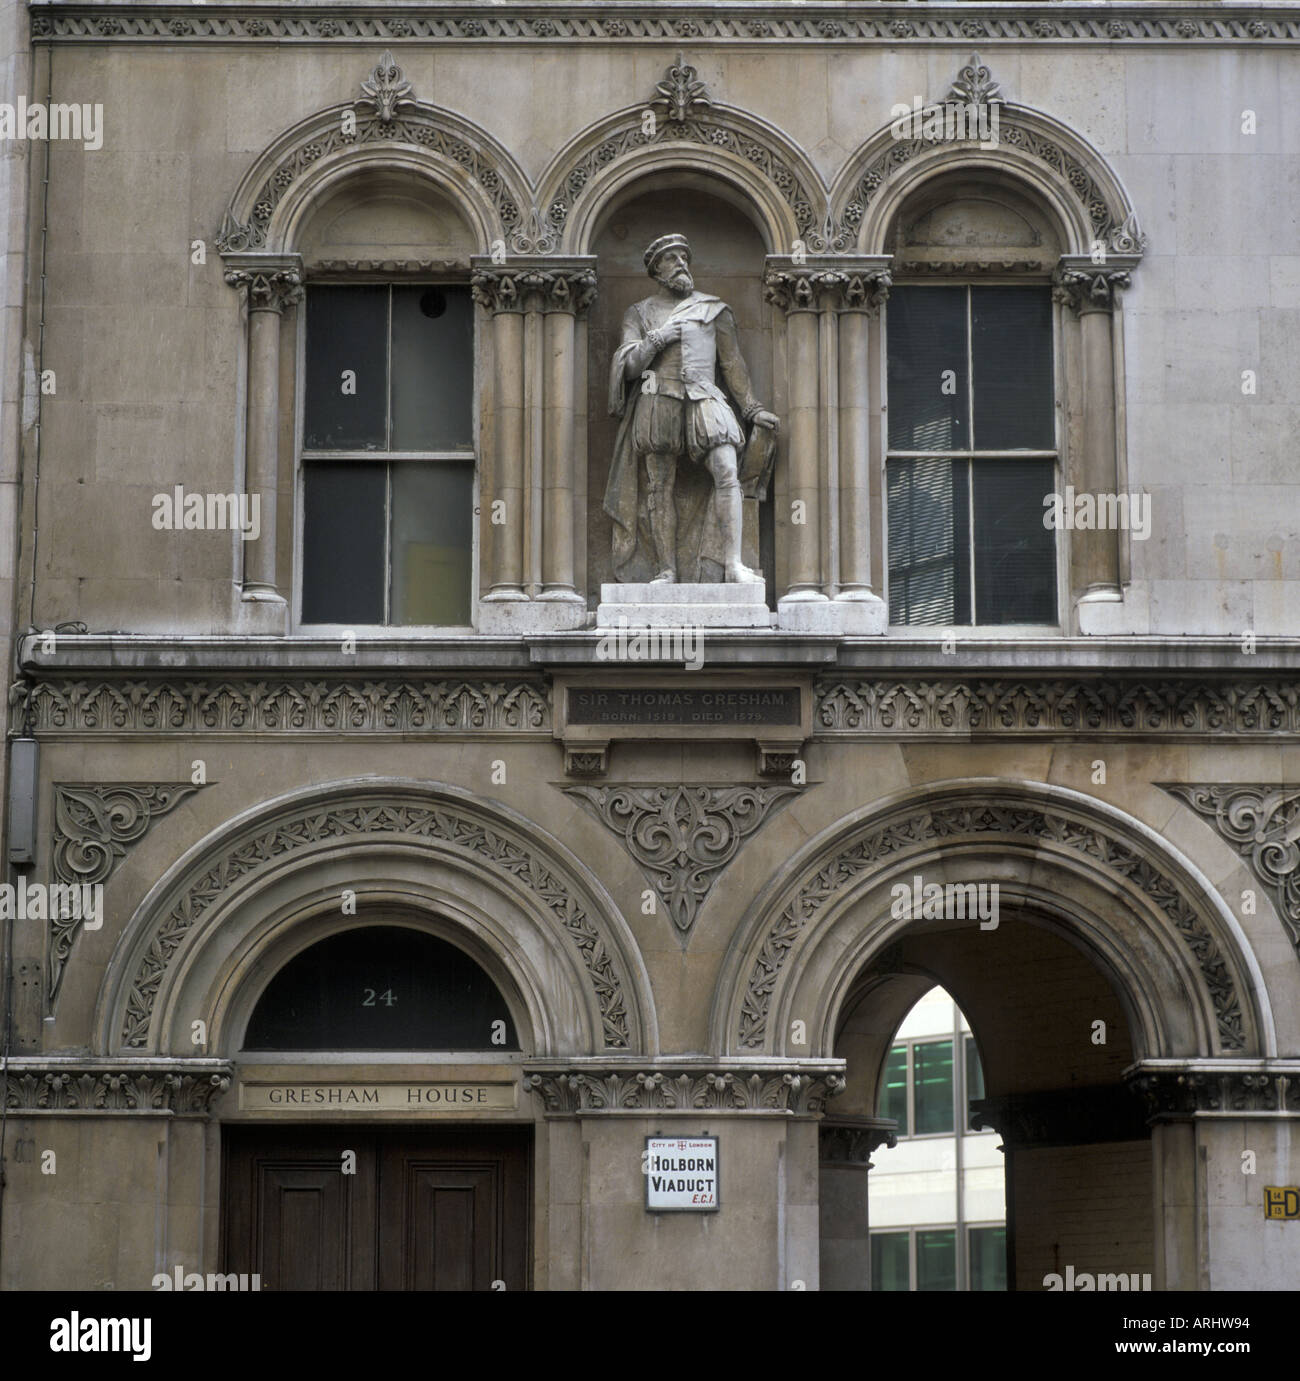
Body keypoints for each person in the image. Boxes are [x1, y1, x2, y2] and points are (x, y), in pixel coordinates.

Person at [604, 233, 779, 585]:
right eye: (671, 258)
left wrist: (751, 408)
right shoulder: (639, 313)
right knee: (659, 485)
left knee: (727, 469)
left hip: (705, 396)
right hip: (657, 399)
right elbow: (631, 367)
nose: (681, 263)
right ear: (656, 270)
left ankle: (733, 565)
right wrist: (658, 338)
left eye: (684, 256)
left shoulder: (713, 309)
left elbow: (733, 366)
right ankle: (666, 569)